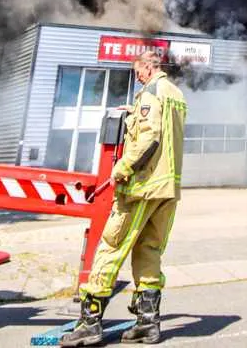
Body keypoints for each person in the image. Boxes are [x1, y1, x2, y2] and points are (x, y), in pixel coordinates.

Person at [62, 50, 187, 346]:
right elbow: (164, 131)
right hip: (168, 189)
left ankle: (89, 322)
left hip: (143, 186)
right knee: (149, 250)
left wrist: (122, 168)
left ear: (148, 67)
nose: (137, 77)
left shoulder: (150, 93)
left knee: (111, 246)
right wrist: (134, 112)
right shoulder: (176, 94)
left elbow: (150, 137)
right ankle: (148, 324)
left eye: (137, 72)